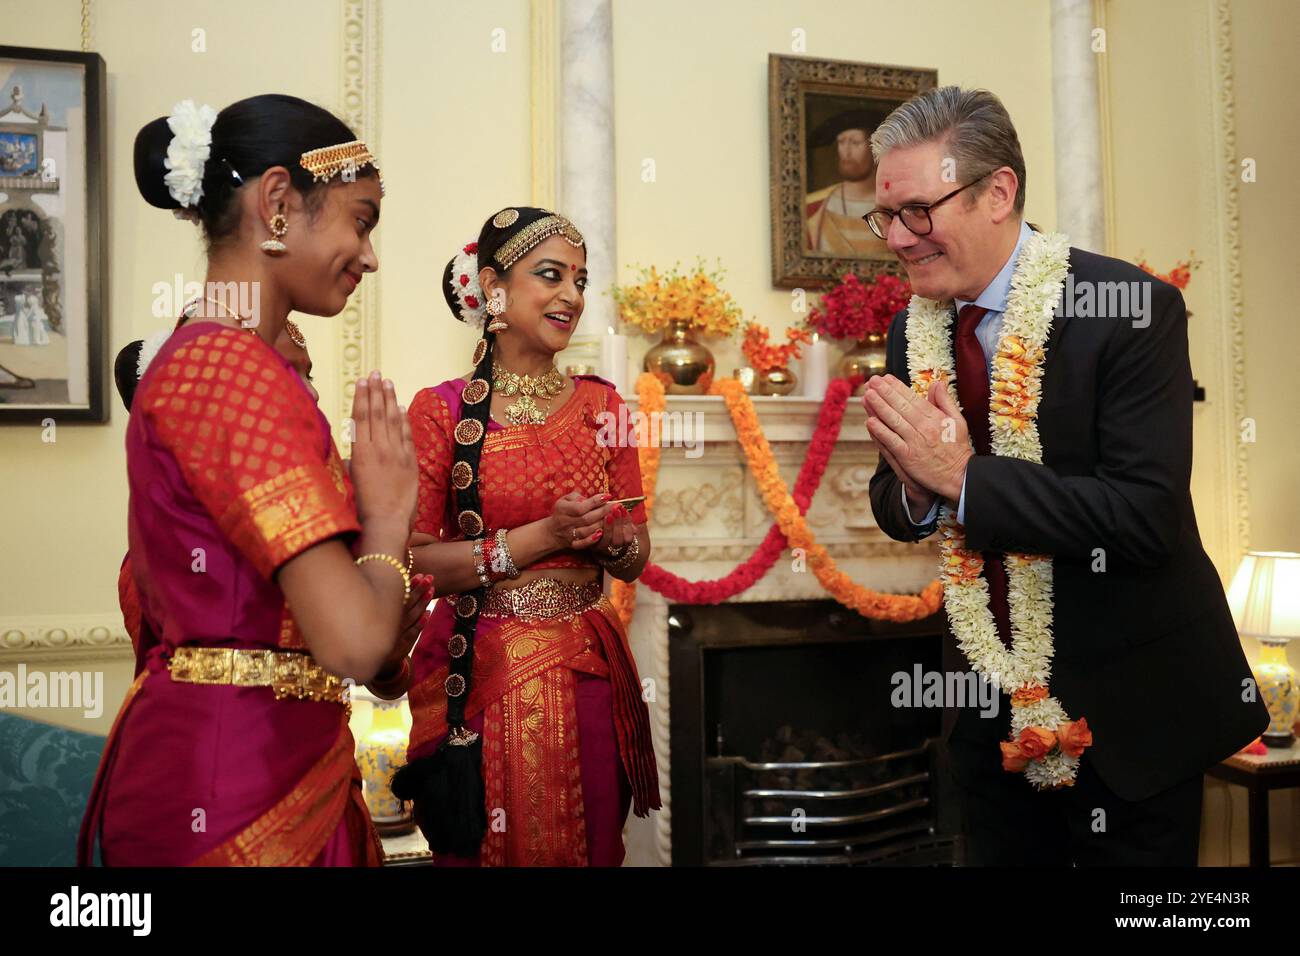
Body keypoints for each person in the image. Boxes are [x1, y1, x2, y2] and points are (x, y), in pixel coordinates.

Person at [864, 86, 1267, 866]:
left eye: (919, 210)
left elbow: (1143, 515)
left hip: (1136, 718)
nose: (899, 239)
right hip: (989, 717)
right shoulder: (909, 330)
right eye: (886, 216)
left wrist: (962, 477)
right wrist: (917, 490)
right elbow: (895, 496)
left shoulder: (1130, 309)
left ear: (998, 193)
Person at [79, 93, 420, 866]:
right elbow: (354, 642)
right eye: (360, 221)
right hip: (234, 785)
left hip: (271, 763)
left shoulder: (232, 363)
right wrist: (390, 515)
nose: (369, 256)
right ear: (276, 203)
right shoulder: (228, 368)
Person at [386, 206, 661, 866]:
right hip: (480, 671)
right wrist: (540, 536)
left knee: (596, 845)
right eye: (551, 275)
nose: (571, 294)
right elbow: (414, 562)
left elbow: (636, 559)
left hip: (589, 670)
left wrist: (607, 536)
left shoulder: (603, 406)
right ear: (494, 289)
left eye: (580, 279)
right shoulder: (441, 410)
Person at [804, 108, 890, 257]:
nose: (846, 151)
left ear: (875, 150)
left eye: (855, 142)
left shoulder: (894, 206)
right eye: (841, 142)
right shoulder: (813, 208)